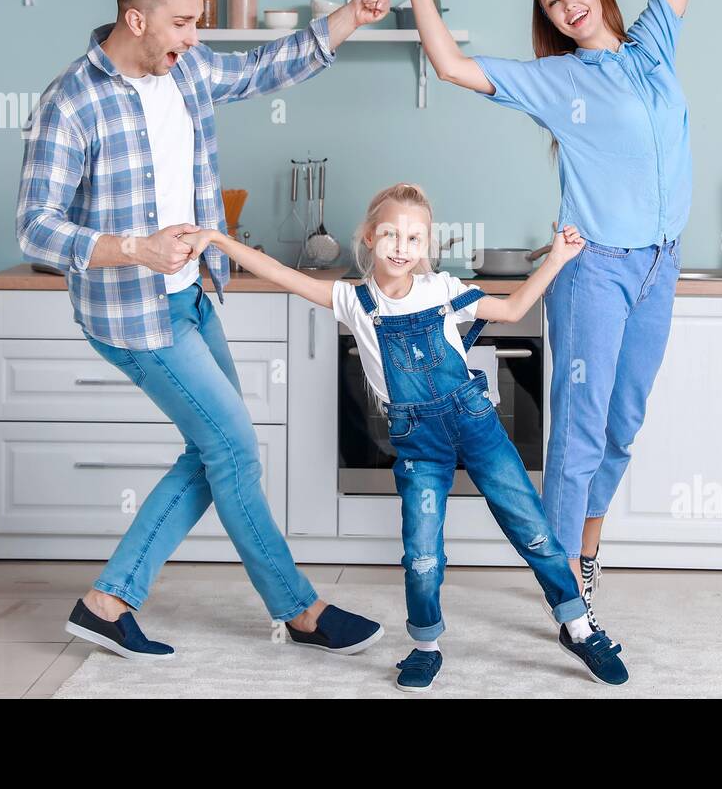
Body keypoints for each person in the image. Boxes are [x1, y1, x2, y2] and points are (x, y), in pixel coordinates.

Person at [16, 0, 394, 659]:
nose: (195, 38)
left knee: (215, 449)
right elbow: (34, 224)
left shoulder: (186, 67)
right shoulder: (70, 100)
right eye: (183, 23)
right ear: (137, 17)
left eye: (199, 24)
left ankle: (108, 601)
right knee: (233, 446)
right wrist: (134, 247)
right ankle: (300, 609)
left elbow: (262, 67)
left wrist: (352, 15)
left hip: (192, 294)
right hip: (132, 313)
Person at [364, 0, 699, 631]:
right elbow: (452, 66)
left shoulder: (653, 50)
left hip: (661, 265)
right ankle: (566, 596)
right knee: (579, 431)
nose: (567, 5)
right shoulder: (555, 80)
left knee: (622, 424)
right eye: (553, 2)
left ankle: (583, 550)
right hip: (596, 271)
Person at [178, 182, 630, 690]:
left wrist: (560, 258)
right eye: (391, 233)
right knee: (421, 552)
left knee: (534, 529)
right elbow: (282, 274)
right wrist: (216, 238)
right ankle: (425, 646)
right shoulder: (352, 300)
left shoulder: (441, 289)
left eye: (415, 238)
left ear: (426, 247)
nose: (402, 245)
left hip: (477, 424)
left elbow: (512, 309)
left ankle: (578, 627)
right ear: (370, 238)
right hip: (418, 442)